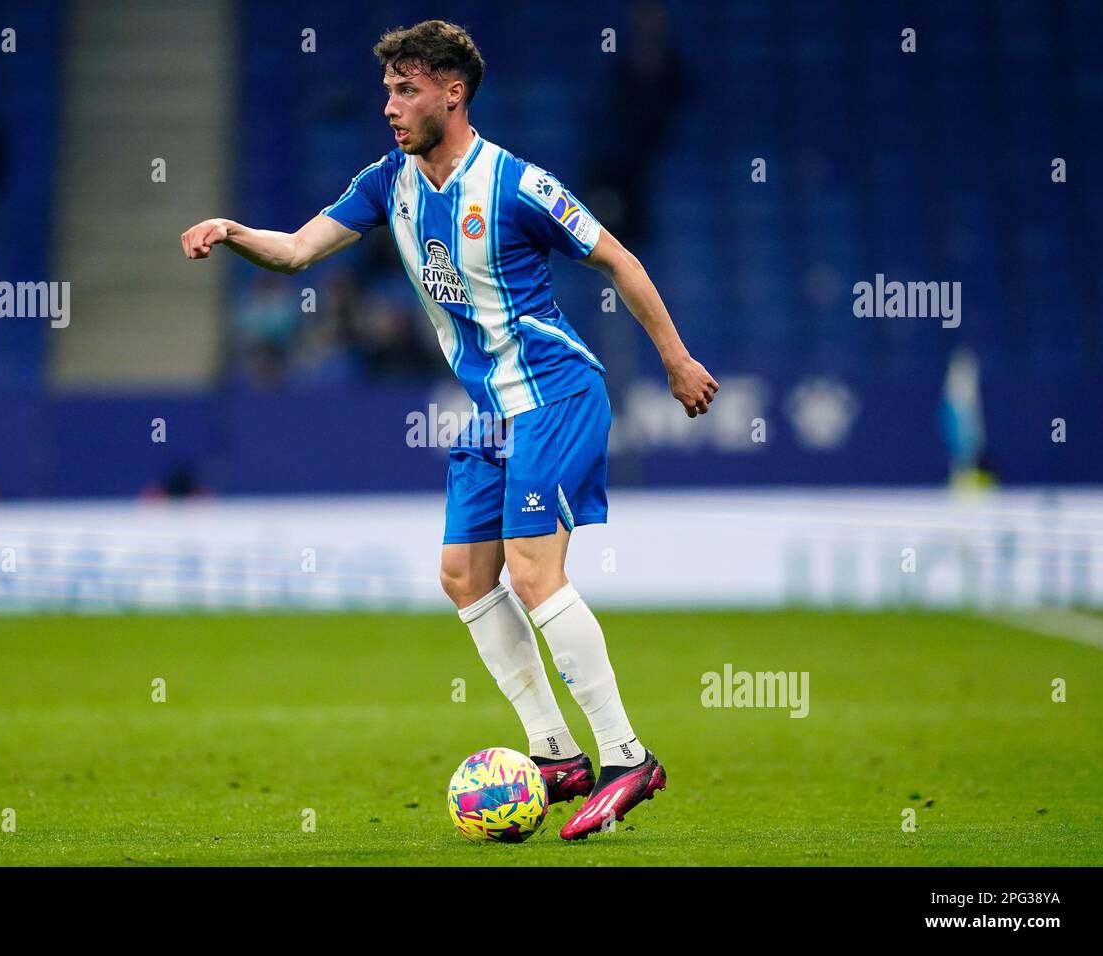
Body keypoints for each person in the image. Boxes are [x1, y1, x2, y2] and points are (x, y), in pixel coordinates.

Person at [179, 20, 718, 840]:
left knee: (536, 577)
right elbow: (294, 251)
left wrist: (677, 362)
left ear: (452, 92)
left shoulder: (515, 184)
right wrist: (233, 232)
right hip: (492, 413)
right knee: (465, 576)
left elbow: (619, 261)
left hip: (554, 395)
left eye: (406, 90)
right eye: (387, 90)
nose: (390, 107)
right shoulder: (386, 182)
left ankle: (627, 758)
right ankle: (555, 752)